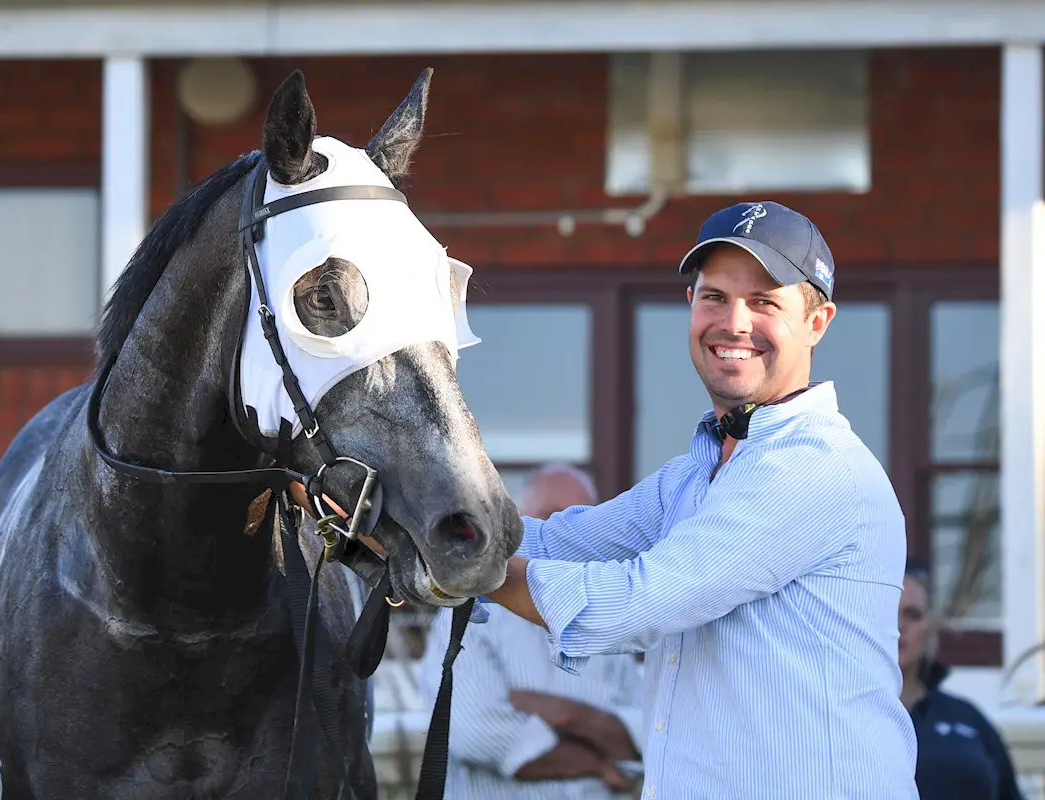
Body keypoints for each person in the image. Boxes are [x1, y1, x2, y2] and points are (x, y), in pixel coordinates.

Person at [479, 201, 919, 798]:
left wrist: (466, 567)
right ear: (691, 306)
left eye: (765, 302)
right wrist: (407, 523)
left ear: (818, 322)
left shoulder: (818, 469)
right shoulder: (696, 474)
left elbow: (636, 603)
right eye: (714, 296)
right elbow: (559, 540)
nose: (734, 322)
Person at [418, 464, 647, 799]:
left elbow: (642, 733)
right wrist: (597, 763)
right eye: (554, 517)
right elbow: (474, 731)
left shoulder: (608, 613)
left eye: (585, 518)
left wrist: (564, 714)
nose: (570, 531)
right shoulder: (472, 614)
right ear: (522, 521)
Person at [900, 560, 1024, 800]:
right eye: (888, 612)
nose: (899, 626)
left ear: (930, 626)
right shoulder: (845, 715)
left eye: (912, 615)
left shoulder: (967, 719)